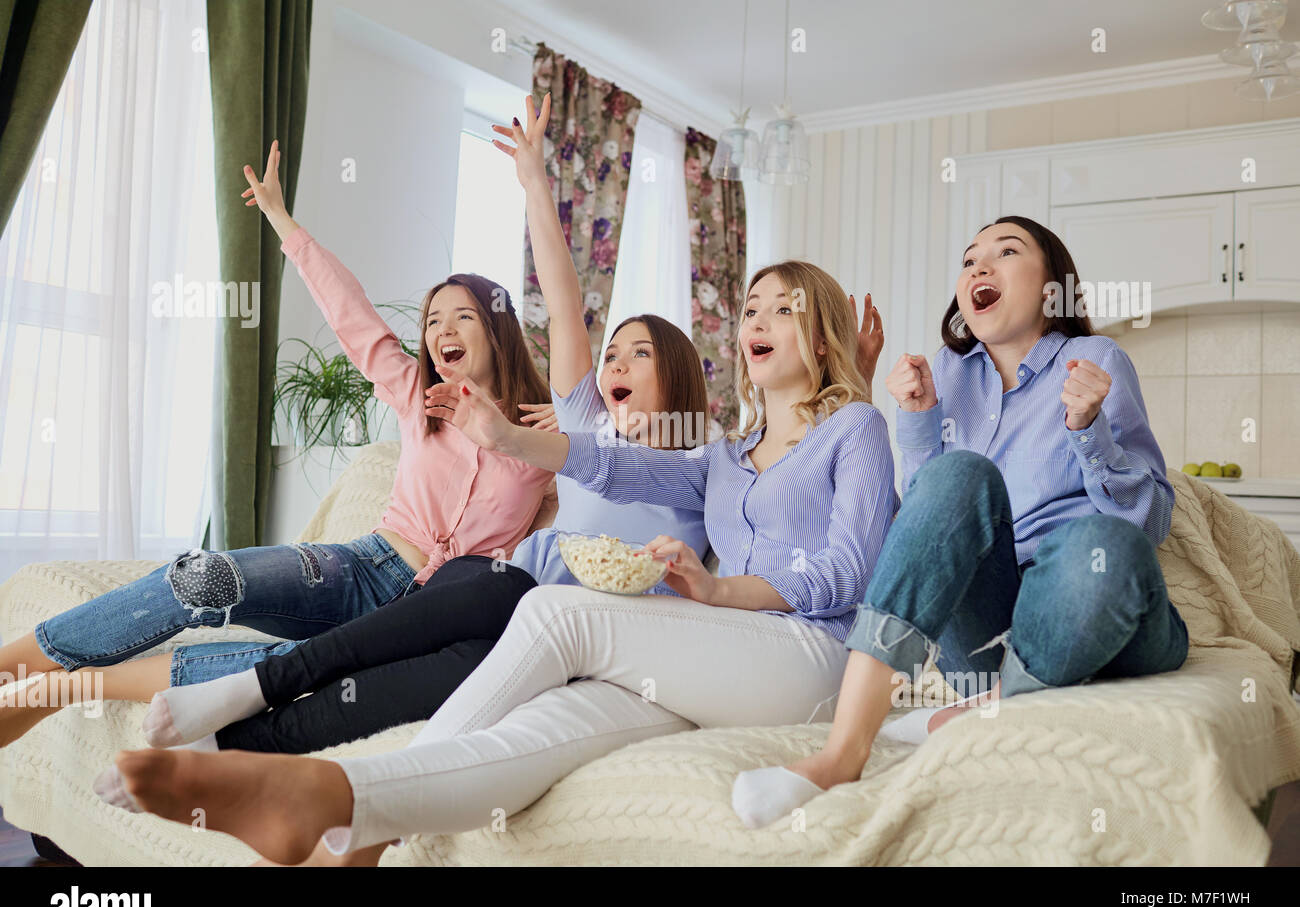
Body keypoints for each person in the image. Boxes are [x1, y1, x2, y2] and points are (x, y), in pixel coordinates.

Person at [104, 250, 898, 866]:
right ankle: (344, 815)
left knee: (554, 610)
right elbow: (614, 463)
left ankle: (290, 750)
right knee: (537, 733)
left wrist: (719, 589)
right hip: (714, 667)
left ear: (821, 336)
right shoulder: (725, 454)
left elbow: (847, 575)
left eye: (779, 309)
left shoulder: (854, 428)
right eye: (749, 305)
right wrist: (510, 438)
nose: (754, 317)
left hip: (814, 659)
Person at [89, 92, 714, 758]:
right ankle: (239, 692)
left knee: (430, 674)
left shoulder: (710, 472)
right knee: (454, 597)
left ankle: (229, 745)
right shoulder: (581, 428)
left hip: (560, 633)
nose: (612, 362)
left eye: (637, 354)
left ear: (676, 372)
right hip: (506, 589)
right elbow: (562, 301)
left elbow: (760, 546)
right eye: (610, 351)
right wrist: (535, 180)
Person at [0, 140, 557, 746]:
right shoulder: (415, 392)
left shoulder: (543, 438)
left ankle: (71, 688)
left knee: (298, 670)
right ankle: (19, 664)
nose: (442, 330)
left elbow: (585, 508)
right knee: (203, 577)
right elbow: (355, 318)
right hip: (362, 567)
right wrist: (284, 224)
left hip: (427, 618)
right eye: (433, 320)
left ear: (498, 329)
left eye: (464, 317)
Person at [731, 215, 1189, 829]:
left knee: (1102, 543)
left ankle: (990, 707)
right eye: (970, 259)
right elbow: (922, 528)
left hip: (1092, 601)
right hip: (985, 636)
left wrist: (1090, 431)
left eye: (1006, 252)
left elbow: (1150, 520)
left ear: (1054, 285)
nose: (979, 267)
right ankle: (844, 751)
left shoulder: (1093, 359)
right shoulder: (948, 374)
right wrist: (917, 421)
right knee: (957, 474)